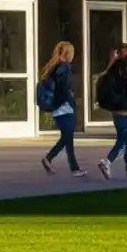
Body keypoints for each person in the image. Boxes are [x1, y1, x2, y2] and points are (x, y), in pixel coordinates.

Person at [39, 41, 86, 177]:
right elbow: (64, 89)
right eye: (72, 53)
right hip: (65, 107)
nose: (73, 56)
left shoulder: (54, 67)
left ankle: (74, 168)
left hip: (57, 108)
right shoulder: (64, 68)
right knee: (66, 138)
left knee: (67, 138)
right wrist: (72, 103)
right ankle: (49, 158)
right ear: (68, 53)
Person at [96, 44, 127, 180]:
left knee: (125, 138)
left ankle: (112, 163)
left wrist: (111, 62)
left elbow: (103, 78)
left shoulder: (112, 69)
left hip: (118, 109)